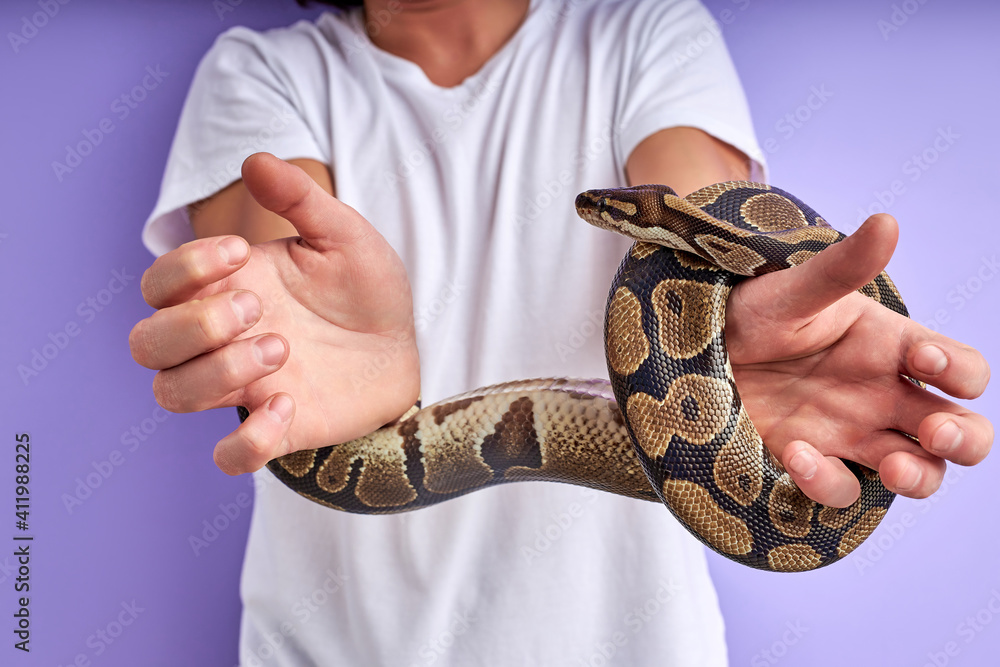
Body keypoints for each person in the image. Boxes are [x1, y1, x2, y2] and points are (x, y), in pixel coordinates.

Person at [129, 0, 993, 664]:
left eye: (611, 216)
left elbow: (692, 208)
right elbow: (275, 285)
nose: (598, 216)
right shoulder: (261, 69)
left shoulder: (642, 28)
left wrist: (733, 328)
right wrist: (291, 356)